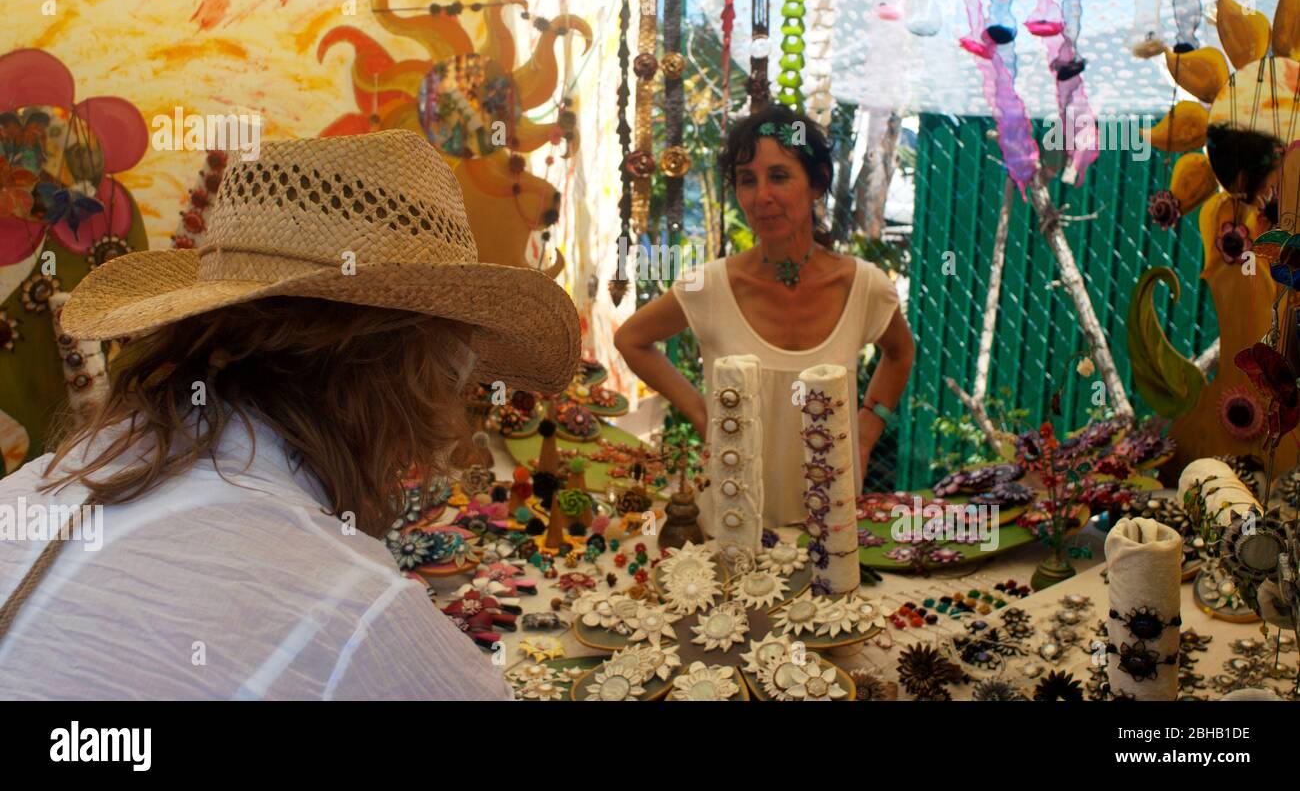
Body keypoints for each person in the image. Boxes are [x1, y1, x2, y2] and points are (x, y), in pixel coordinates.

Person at [0, 129, 579, 700]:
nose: (452, 405)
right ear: (404, 372)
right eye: (454, 373)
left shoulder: (30, 487)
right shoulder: (353, 616)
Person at [615, 104, 915, 528]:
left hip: (829, 533)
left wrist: (868, 429)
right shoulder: (709, 287)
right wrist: (701, 413)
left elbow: (901, 353)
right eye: (746, 181)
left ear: (817, 183)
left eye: (779, 176)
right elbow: (631, 340)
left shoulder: (863, 288)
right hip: (730, 527)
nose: (762, 197)